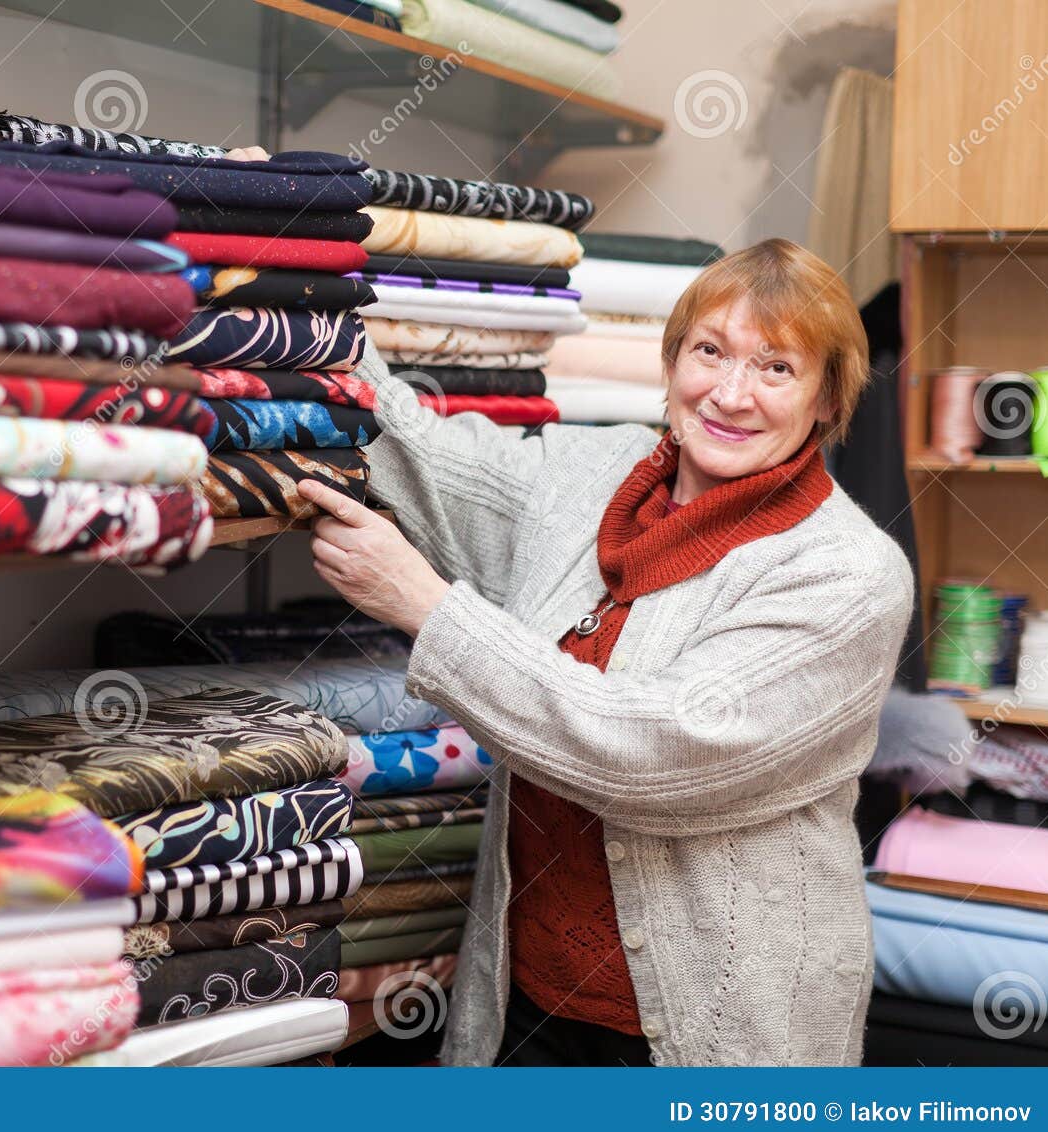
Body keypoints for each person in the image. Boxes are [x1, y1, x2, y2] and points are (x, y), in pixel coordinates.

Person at [297, 238, 912, 1066]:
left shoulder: (849, 575)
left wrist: (426, 607)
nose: (730, 393)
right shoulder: (590, 472)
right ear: (672, 362)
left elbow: (653, 751)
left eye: (776, 368)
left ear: (828, 399)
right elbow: (421, 452)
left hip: (725, 1038)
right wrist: (300, 265)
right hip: (529, 1002)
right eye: (710, 351)